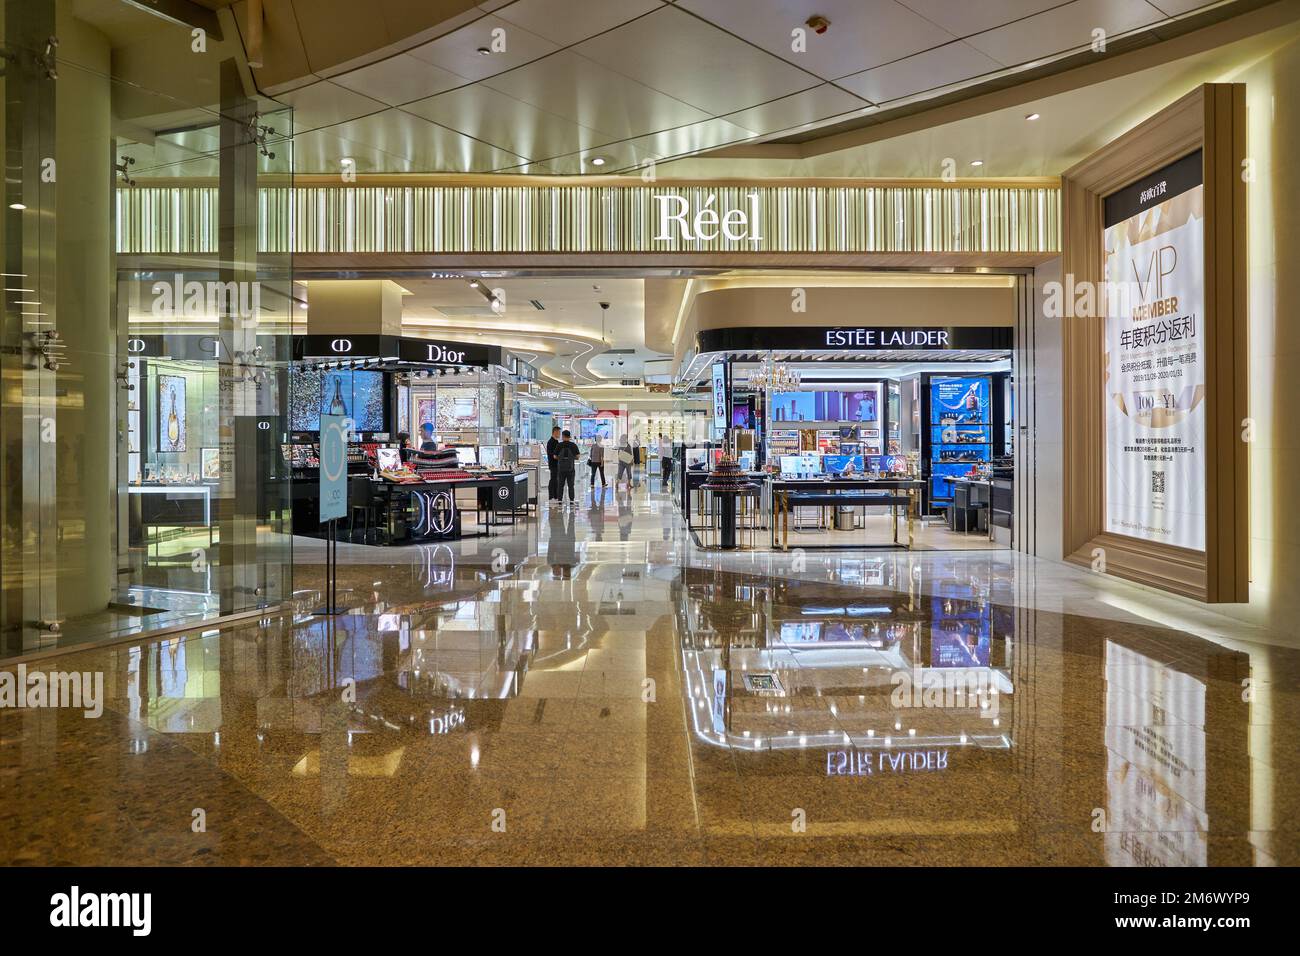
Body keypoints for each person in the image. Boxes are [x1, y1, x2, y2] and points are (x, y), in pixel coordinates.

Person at [554, 429, 581, 505]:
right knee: (571, 485)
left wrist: (561, 458)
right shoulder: (573, 445)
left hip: (561, 469)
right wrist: (572, 458)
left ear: (563, 436)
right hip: (571, 469)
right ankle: (571, 500)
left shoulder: (559, 445)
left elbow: (555, 456)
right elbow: (578, 456)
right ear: (569, 436)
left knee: (560, 485)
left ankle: (560, 500)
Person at [545, 425, 561, 506]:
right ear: (554, 432)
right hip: (553, 464)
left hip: (557, 464)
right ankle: (551, 497)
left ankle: (556, 496)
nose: (559, 434)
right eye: (558, 432)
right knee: (553, 480)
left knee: (556, 480)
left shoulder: (557, 442)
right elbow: (551, 453)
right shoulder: (550, 442)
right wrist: (556, 456)